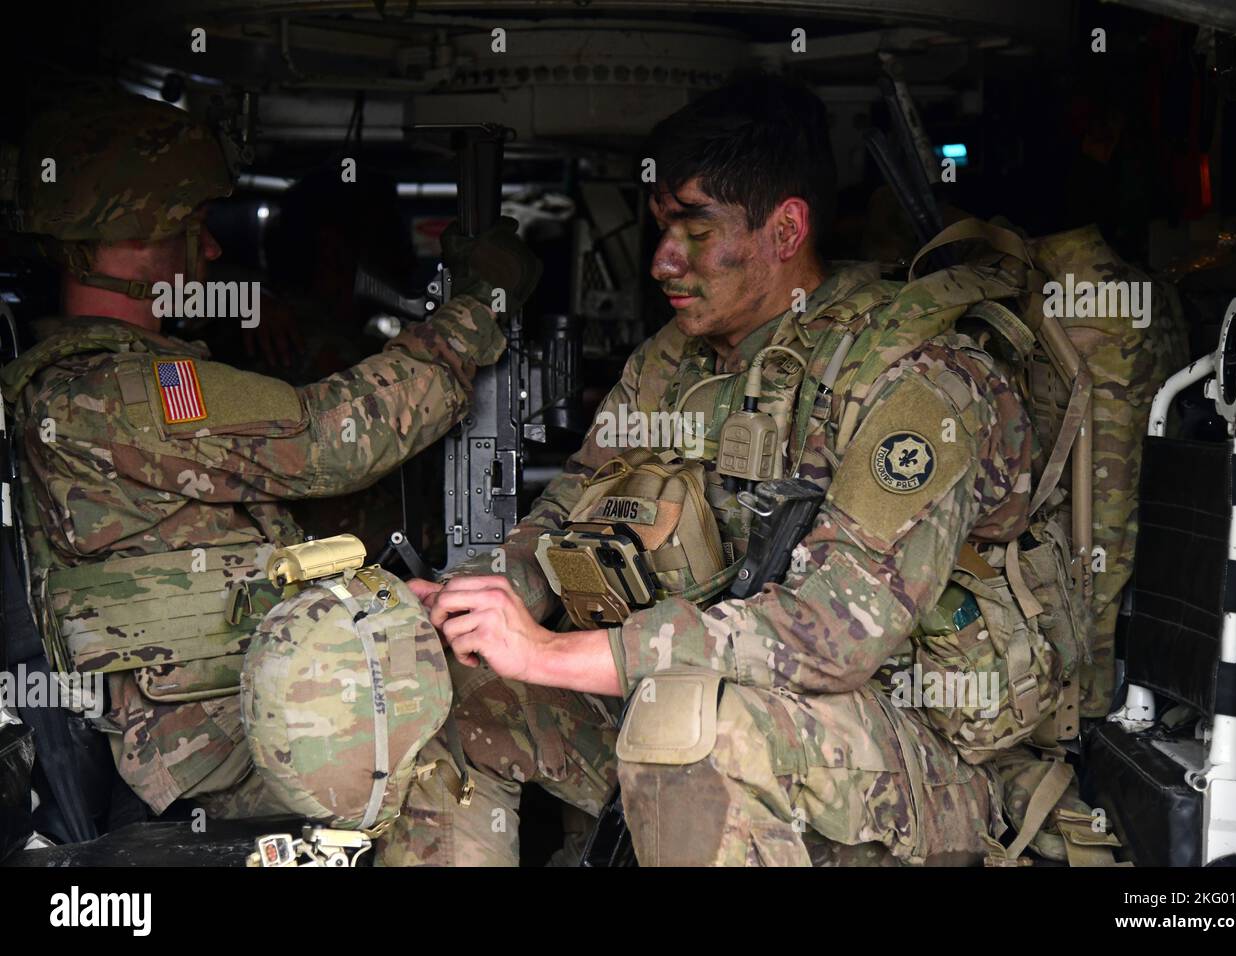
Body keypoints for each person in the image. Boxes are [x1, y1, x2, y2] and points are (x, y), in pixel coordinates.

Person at [380, 73, 1034, 866]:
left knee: (693, 727)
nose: (661, 261)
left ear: (786, 229)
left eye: (694, 227)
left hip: (917, 757)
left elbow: (837, 634)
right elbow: (565, 519)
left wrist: (553, 656)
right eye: (661, 226)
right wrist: (485, 603)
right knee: (454, 690)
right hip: (704, 702)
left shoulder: (916, 378)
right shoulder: (673, 364)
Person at [1, 89, 537, 820]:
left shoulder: (78, 379)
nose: (213, 247)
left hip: (204, 710)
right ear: (138, 231)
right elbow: (333, 440)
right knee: (460, 755)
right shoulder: (125, 392)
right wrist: (477, 306)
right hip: (208, 739)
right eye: (193, 224)